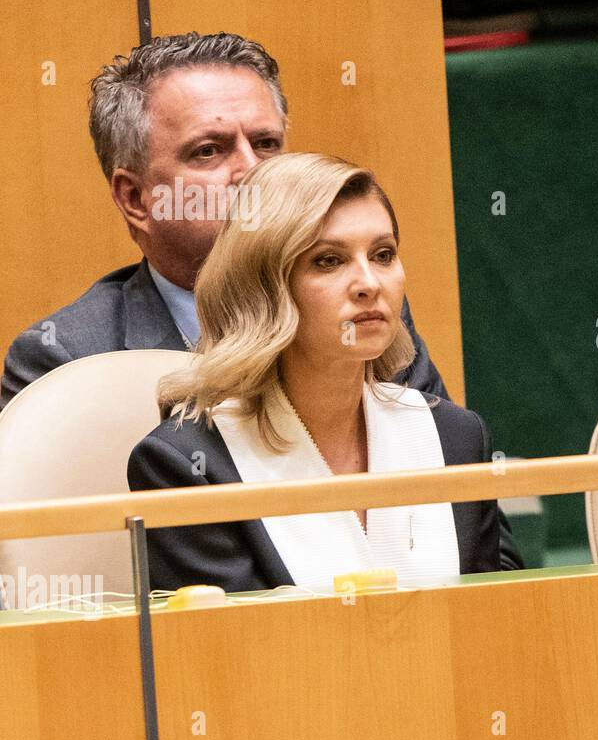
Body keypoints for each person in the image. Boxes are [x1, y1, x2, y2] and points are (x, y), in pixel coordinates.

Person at [128, 153, 521, 590]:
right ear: (265, 288)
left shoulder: (457, 437)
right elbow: (233, 652)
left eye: (383, 254)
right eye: (328, 261)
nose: (369, 283)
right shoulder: (187, 466)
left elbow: (495, 622)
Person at [1, 32, 448, 410]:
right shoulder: (68, 357)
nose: (252, 171)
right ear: (136, 199)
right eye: (209, 151)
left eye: (267, 144)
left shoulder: (355, 306)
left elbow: (450, 495)